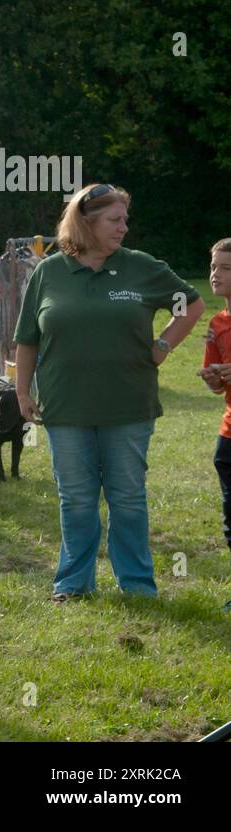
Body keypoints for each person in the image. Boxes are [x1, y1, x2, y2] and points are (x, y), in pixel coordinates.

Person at [15, 183, 203, 602]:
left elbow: (190, 304)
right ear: (86, 222)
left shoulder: (141, 267)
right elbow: (27, 339)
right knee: (77, 500)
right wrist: (22, 391)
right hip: (66, 407)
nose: (124, 228)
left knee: (128, 499)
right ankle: (73, 584)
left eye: (124, 219)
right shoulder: (50, 271)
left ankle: (137, 585)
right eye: (114, 220)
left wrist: (164, 345)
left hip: (128, 405)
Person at [198, 237, 231, 610]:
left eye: (225, 268)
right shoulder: (216, 323)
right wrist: (214, 379)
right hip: (229, 437)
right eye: (212, 267)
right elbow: (216, 383)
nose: (215, 275)